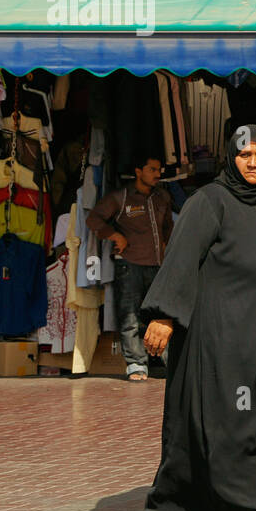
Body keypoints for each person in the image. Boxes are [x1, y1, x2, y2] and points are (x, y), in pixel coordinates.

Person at [140, 125, 256, 511]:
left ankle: (225, 493)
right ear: (231, 157)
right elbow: (182, 257)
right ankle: (255, 497)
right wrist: (164, 314)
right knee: (236, 410)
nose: (252, 162)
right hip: (223, 334)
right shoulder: (211, 201)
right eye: (244, 154)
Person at [86, 150, 173, 380]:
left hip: (158, 266)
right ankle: (136, 364)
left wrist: (167, 247)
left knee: (161, 316)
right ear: (138, 172)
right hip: (130, 265)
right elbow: (93, 219)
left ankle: (169, 364)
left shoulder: (162, 197)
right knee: (130, 317)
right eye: (152, 169)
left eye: (159, 170)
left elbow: (168, 228)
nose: (157, 174)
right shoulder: (121, 198)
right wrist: (115, 236)